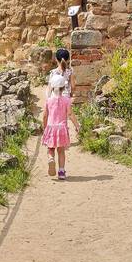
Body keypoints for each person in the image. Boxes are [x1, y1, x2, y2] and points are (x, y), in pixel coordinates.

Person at [42, 47, 77, 180]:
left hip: (53, 99)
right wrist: (72, 94)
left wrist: (48, 99)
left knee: (53, 120)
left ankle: (51, 158)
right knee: (64, 120)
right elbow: (73, 85)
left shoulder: (53, 73)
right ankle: (62, 171)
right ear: (68, 59)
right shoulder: (70, 71)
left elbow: (49, 88)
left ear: (56, 59)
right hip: (65, 98)